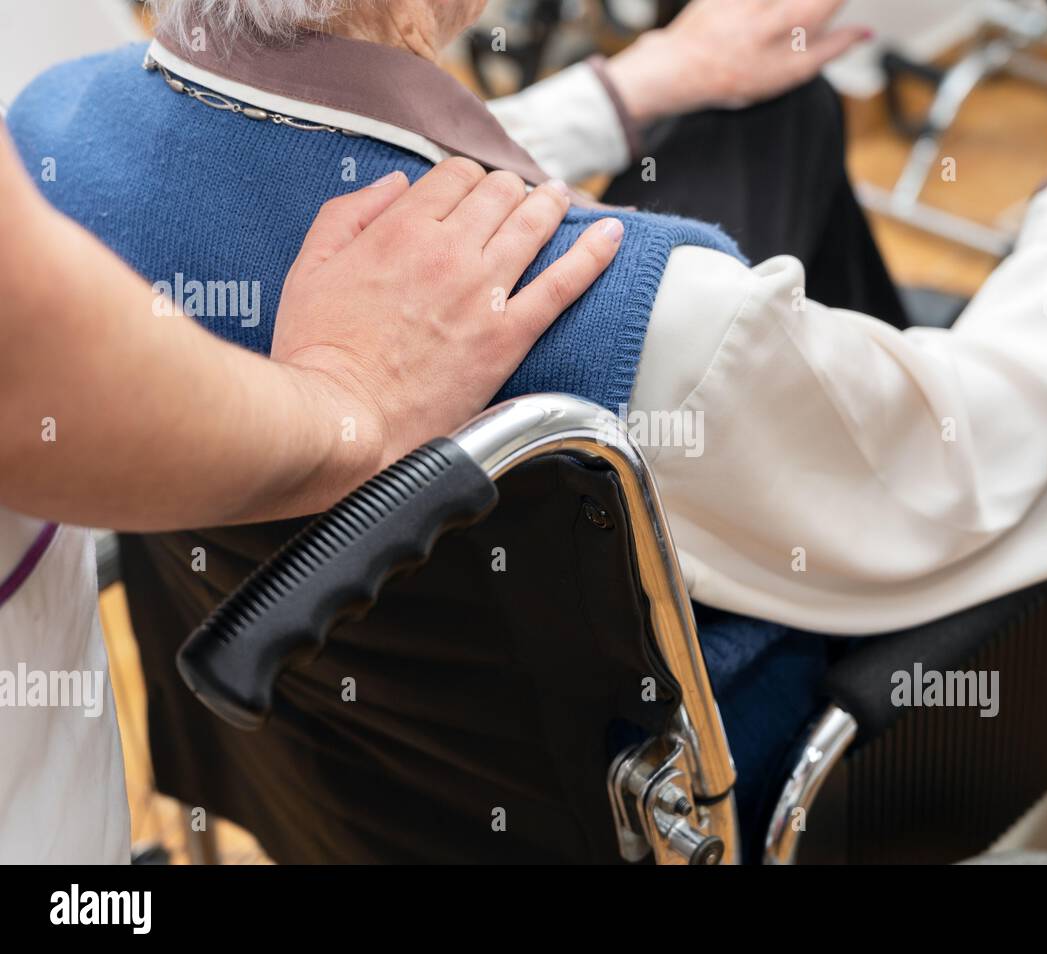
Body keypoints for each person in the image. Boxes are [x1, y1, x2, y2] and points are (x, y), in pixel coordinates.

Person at [7, 0, 1047, 846]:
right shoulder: (654, 330)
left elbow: (302, 136)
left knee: (760, 113)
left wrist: (642, 87)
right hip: (728, 768)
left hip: (335, 774)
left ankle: (840, 420)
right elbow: (1018, 438)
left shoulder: (53, 135)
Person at [0, 124, 623, 862]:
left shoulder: (65, 130)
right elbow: (23, 365)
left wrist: (612, 101)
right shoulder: (648, 318)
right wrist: (347, 400)